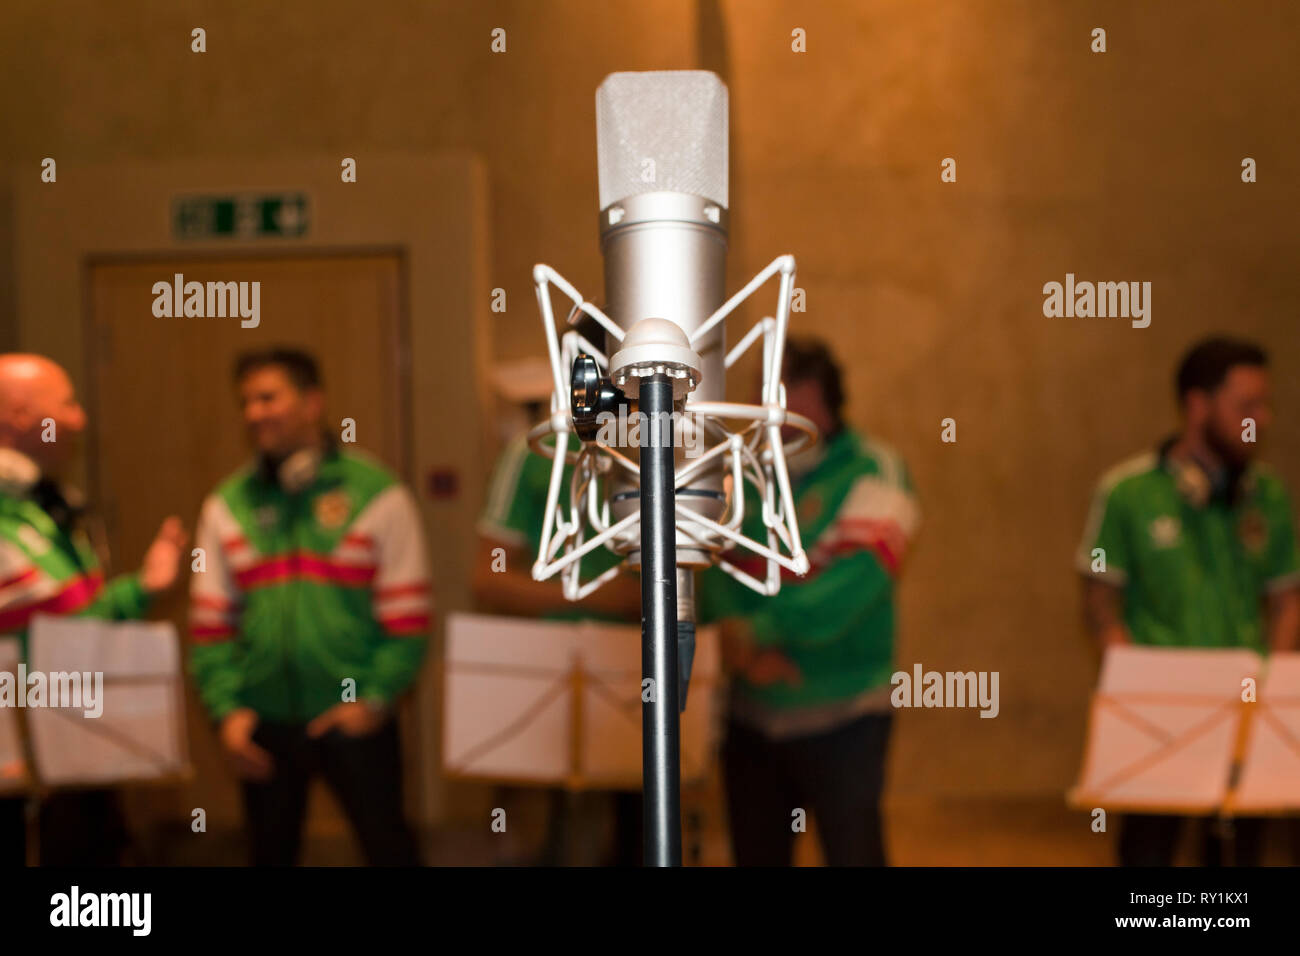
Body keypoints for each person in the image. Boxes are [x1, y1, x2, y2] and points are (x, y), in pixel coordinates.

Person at [189, 348, 431, 866]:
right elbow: (210, 625)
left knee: (390, 849)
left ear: (313, 403)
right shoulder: (226, 506)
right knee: (269, 855)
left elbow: (408, 619)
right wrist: (227, 712)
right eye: (246, 402)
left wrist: (375, 699)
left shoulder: (378, 495)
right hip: (264, 722)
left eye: (268, 397)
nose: (253, 413)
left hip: (354, 717)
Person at [1077, 336, 1300, 866]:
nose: (1261, 419)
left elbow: (1287, 597)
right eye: (1246, 407)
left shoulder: (1266, 495)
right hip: (1163, 718)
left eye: (1265, 406)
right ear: (1198, 405)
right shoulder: (1128, 492)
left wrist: (1275, 683)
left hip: (1248, 715)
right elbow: (1099, 602)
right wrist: (1134, 687)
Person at [699, 337, 920, 866]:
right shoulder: (741, 469)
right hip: (751, 715)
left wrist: (761, 632)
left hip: (843, 718)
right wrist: (740, 644)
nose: (757, 402)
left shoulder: (875, 470)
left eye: (770, 387)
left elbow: (855, 585)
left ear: (813, 394)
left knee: (854, 854)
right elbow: (711, 562)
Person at [0, 353, 187, 866]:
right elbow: (47, 639)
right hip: (23, 768)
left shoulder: (42, 509)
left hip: (74, 747)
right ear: (19, 416)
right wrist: (141, 591)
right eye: (66, 404)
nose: (79, 419)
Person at [474, 385, 644, 866]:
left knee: (637, 838)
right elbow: (488, 575)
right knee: (550, 841)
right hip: (548, 681)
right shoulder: (536, 450)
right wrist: (589, 596)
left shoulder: (668, 442)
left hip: (639, 681)